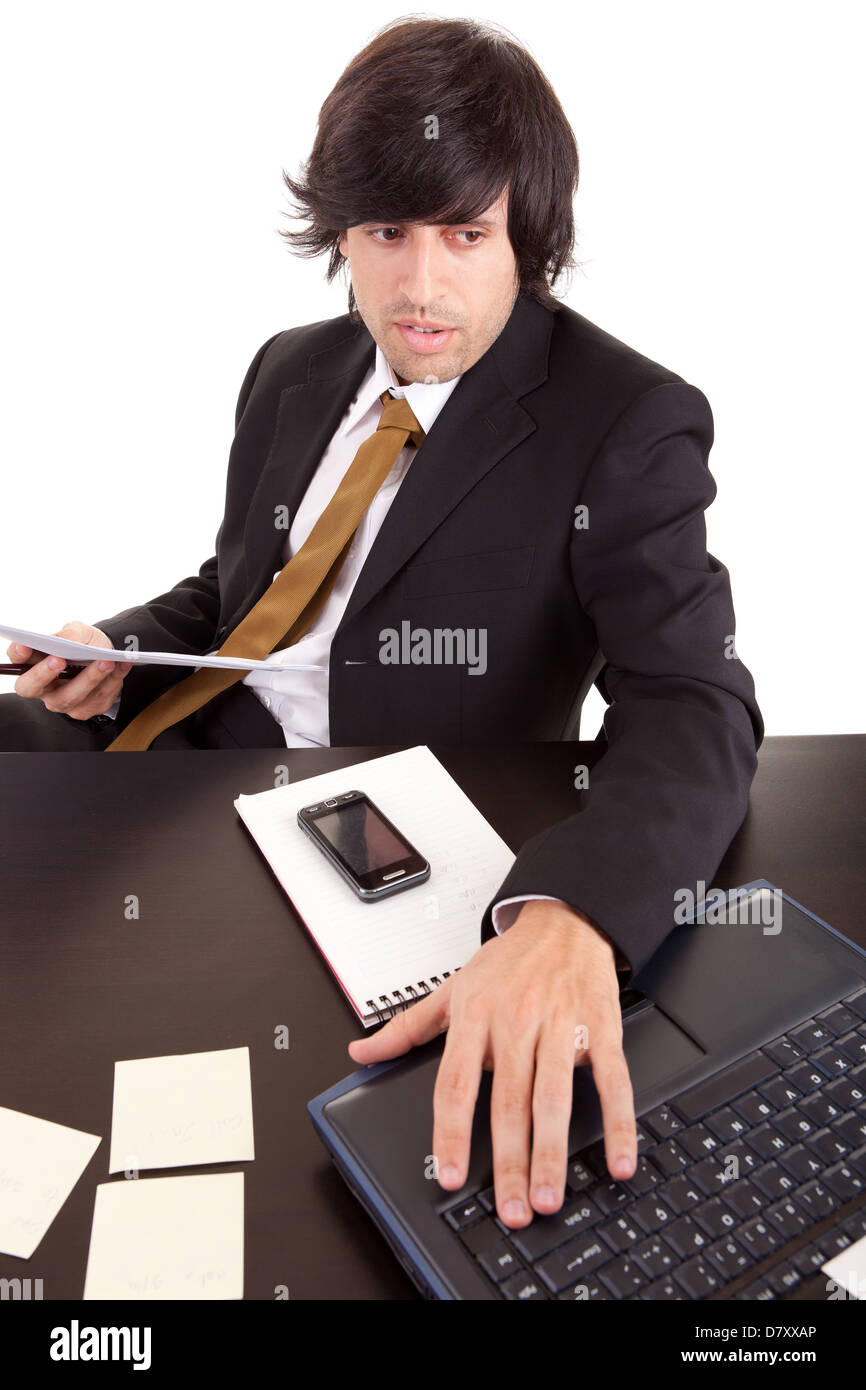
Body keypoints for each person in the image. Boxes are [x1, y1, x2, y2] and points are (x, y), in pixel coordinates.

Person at [0, 17, 763, 1235]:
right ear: (340, 232)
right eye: (384, 233)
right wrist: (124, 645)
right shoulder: (288, 369)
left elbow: (693, 699)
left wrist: (571, 913)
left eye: (465, 234)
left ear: (526, 236)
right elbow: (242, 587)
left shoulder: (625, 419)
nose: (418, 286)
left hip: (378, 840)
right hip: (175, 763)